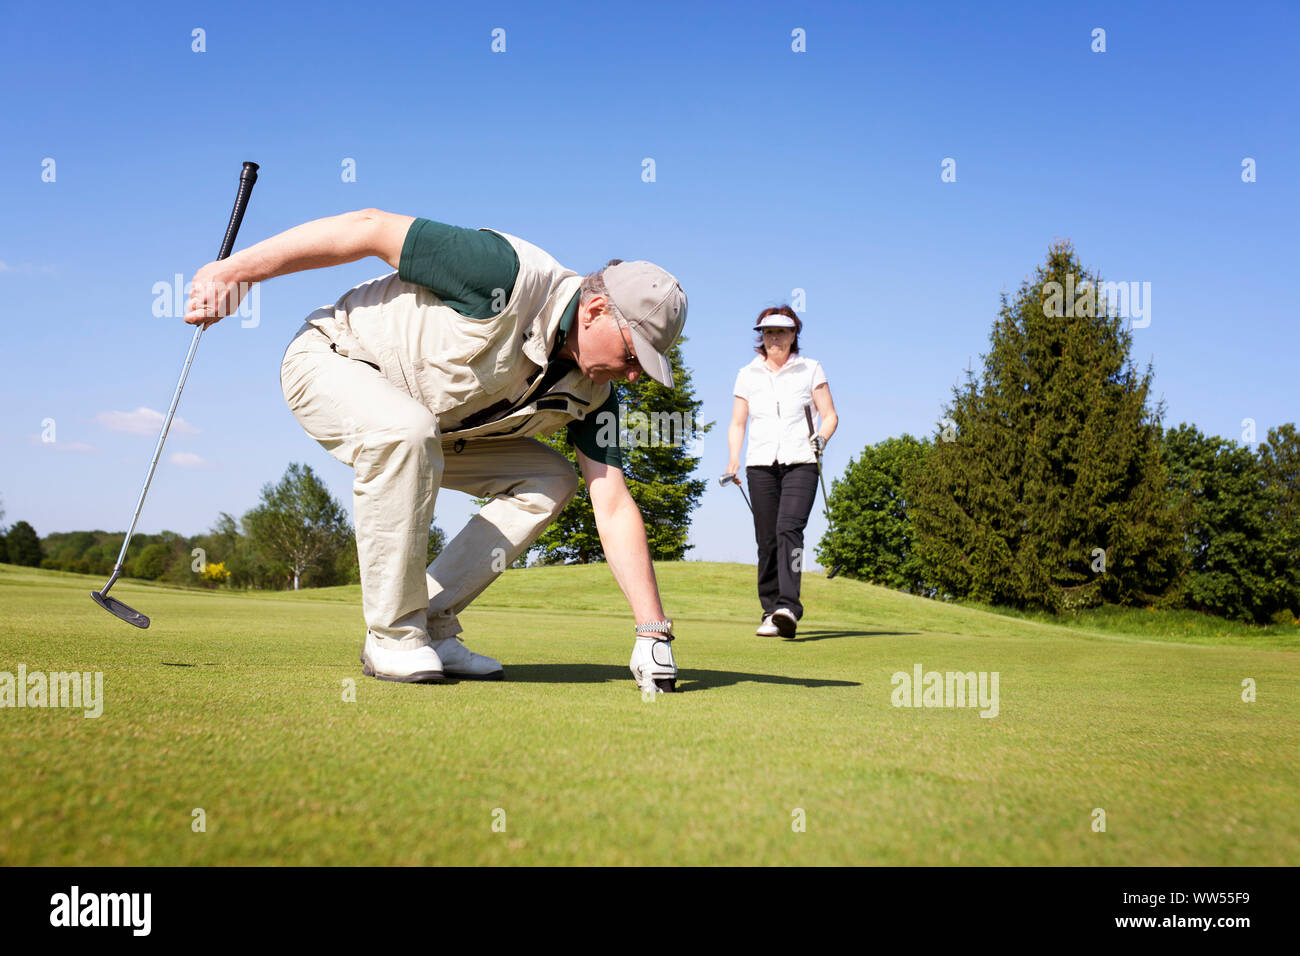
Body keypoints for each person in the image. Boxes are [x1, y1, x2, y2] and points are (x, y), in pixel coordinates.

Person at [183, 209, 686, 692]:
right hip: (333, 360)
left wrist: (652, 631)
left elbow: (613, 503)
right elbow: (369, 228)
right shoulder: (502, 272)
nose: (635, 373)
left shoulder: (595, 394)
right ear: (595, 311)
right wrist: (236, 273)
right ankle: (394, 636)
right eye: (632, 354)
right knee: (405, 430)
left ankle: (431, 620)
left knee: (551, 478)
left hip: (432, 426)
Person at [725, 306, 838, 639]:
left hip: (802, 460)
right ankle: (770, 610)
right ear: (761, 336)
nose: (774, 338)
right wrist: (733, 458)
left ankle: (788, 607)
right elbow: (737, 422)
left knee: (790, 530)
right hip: (760, 464)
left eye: (781, 332)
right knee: (767, 540)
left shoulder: (810, 369)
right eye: (768, 332)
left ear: (793, 335)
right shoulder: (747, 374)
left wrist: (822, 437)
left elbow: (829, 415)